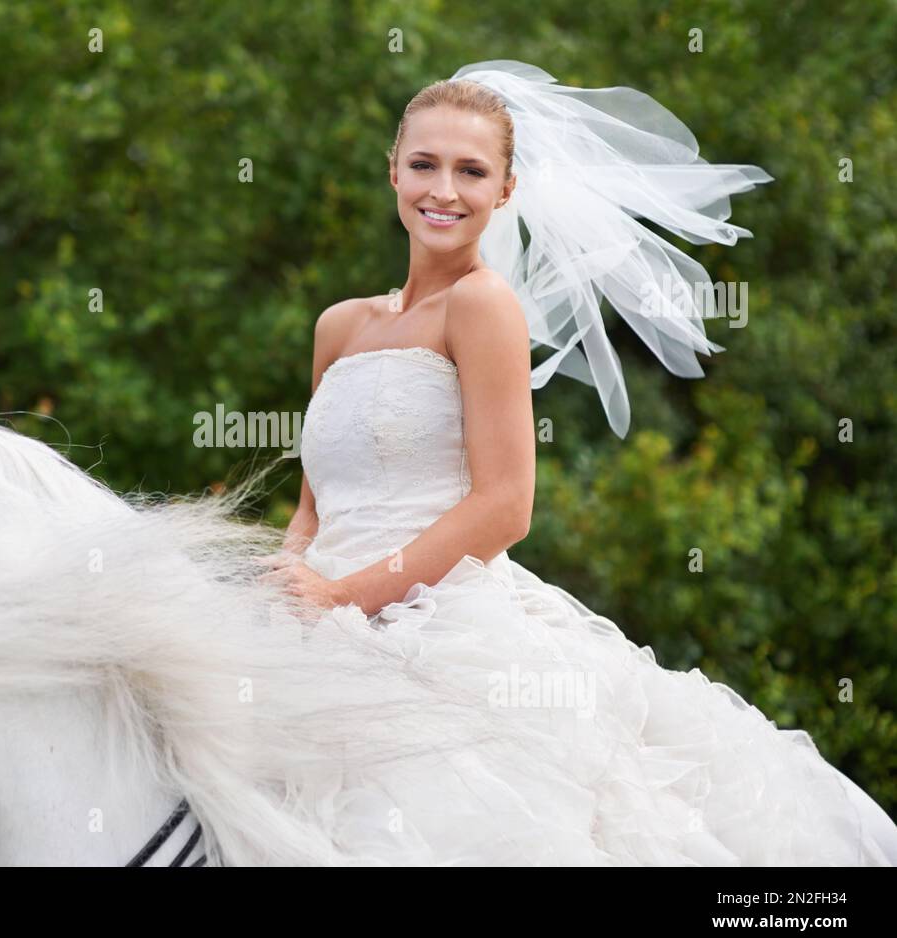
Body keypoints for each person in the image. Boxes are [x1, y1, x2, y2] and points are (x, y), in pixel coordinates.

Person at [264, 60, 897, 865]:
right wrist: (284, 583)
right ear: (393, 170)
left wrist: (345, 599)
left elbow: (505, 507)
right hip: (317, 621)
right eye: (424, 164)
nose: (444, 190)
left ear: (506, 189)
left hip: (436, 622)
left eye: (472, 171)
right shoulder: (339, 326)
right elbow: (315, 508)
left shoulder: (483, 305)